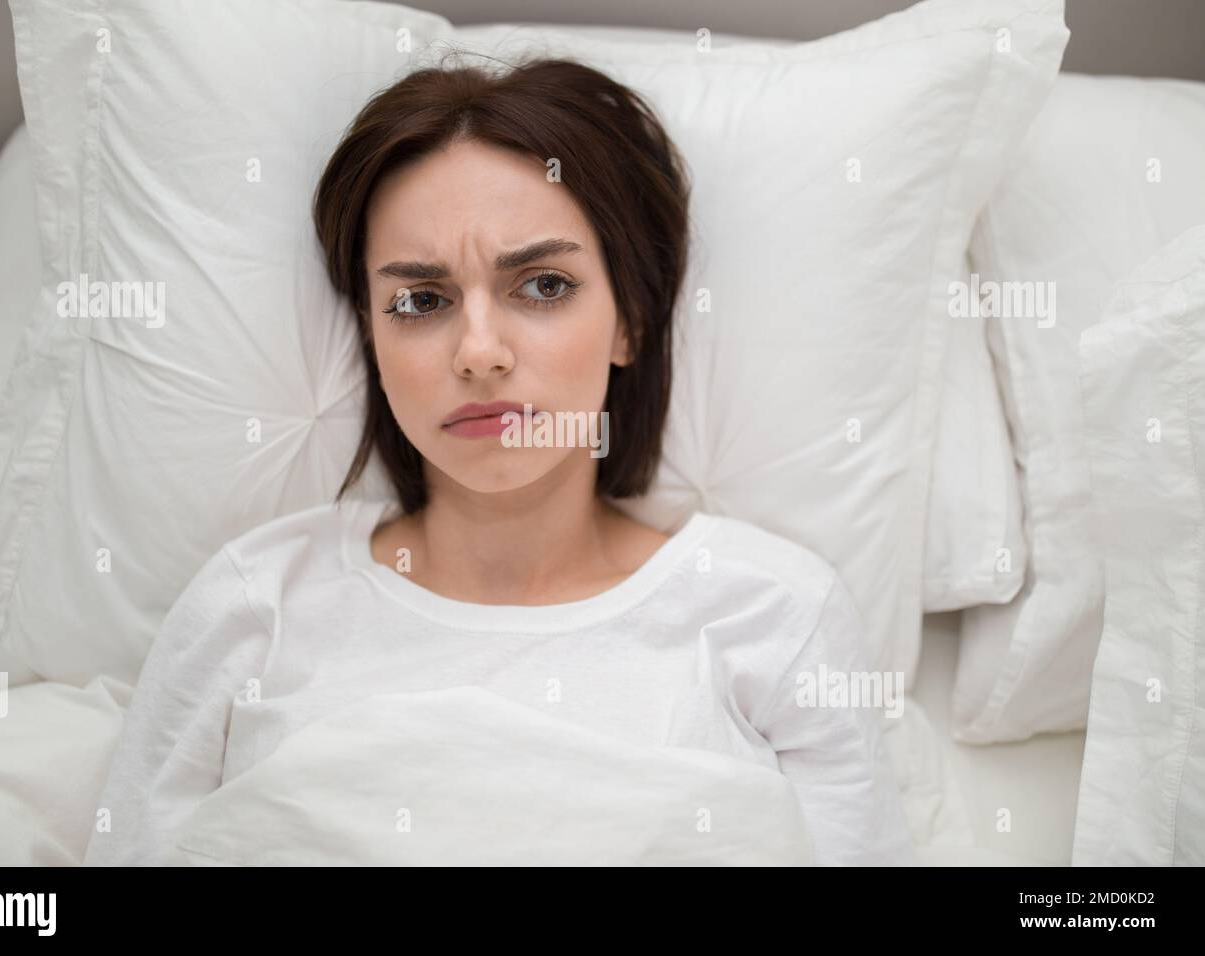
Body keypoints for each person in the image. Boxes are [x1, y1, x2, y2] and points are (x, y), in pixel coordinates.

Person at [84, 53, 915, 867]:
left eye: (544, 286)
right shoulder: (251, 610)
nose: (479, 352)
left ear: (629, 321)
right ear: (372, 338)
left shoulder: (775, 618)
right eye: (421, 301)